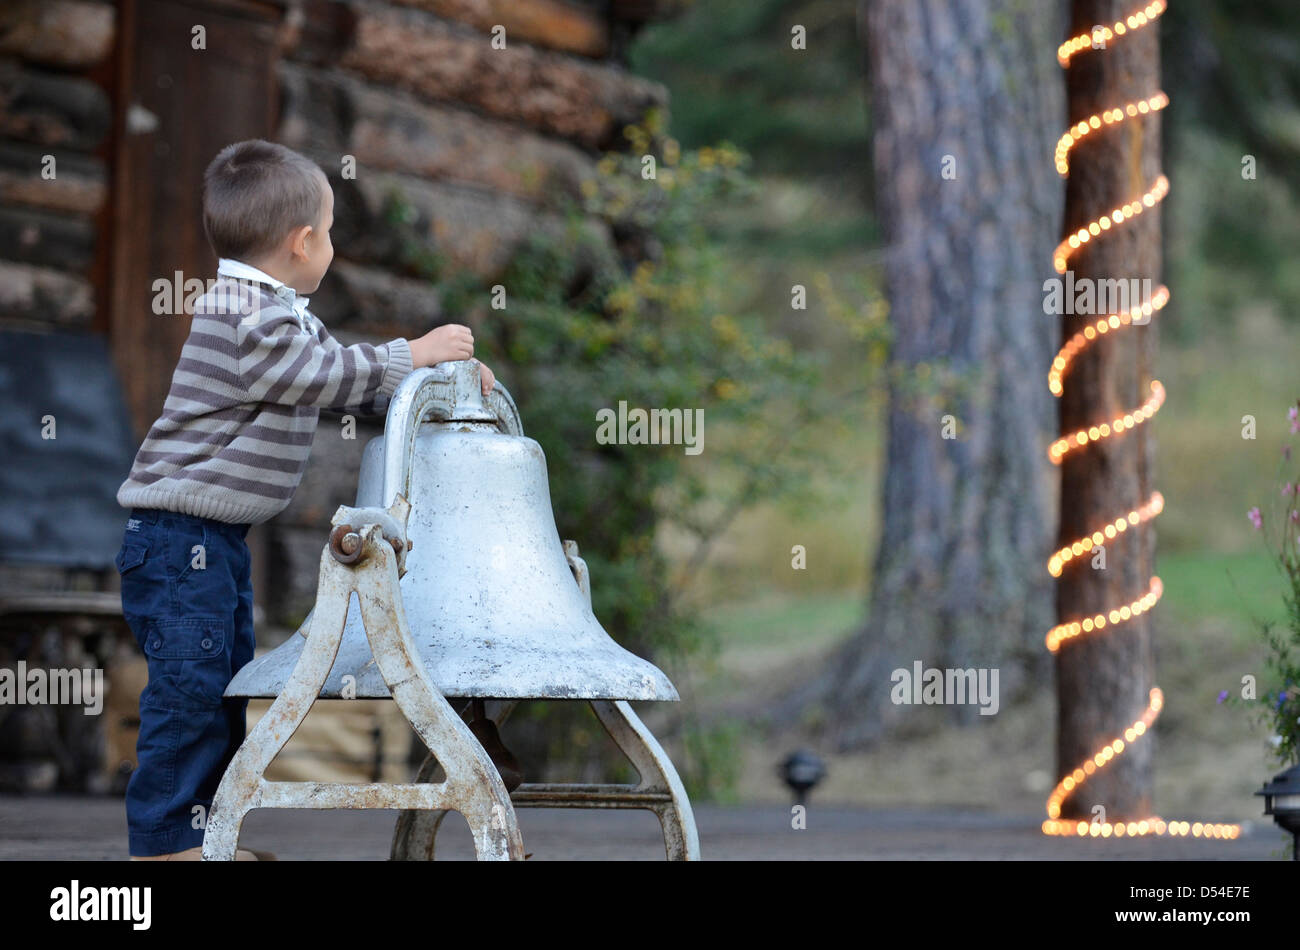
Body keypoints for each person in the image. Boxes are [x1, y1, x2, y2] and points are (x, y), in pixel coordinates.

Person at [113, 139, 494, 859]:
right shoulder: (242, 313)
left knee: (221, 691)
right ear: (304, 240)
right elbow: (317, 373)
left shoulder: (277, 314)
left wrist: (441, 378)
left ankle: (206, 836)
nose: (333, 244)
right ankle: (165, 846)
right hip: (175, 542)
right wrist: (411, 351)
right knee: (189, 691)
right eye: (331, 230)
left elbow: (339, 374)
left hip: (210, 545)